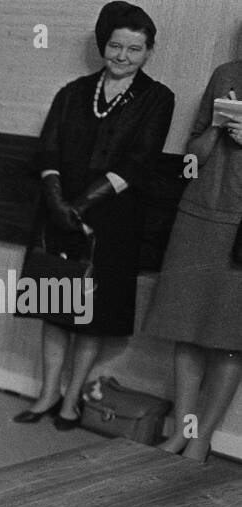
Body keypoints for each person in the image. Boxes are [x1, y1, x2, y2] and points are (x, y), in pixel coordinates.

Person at [12, 1, 174, 429]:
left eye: (134, 49)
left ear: (148, 52)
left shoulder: (158, 99)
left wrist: (81, 208)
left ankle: (70, 401)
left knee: (89, 318)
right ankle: (47, 395)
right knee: (54, 310)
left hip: (113, 222)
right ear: (104, 45)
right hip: (58, 214)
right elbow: (47, 151)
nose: (122, 56)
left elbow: (139, 163)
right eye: (115, 46)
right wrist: (60, 206)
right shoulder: (73, 93)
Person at [141, 61, 242, 462]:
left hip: (241, 227)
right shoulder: (226, 74)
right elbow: (191, 154)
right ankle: (183, 433)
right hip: (199, 214)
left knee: (230, 341)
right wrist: (217, 128)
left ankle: (202, 440)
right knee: (187, 331)